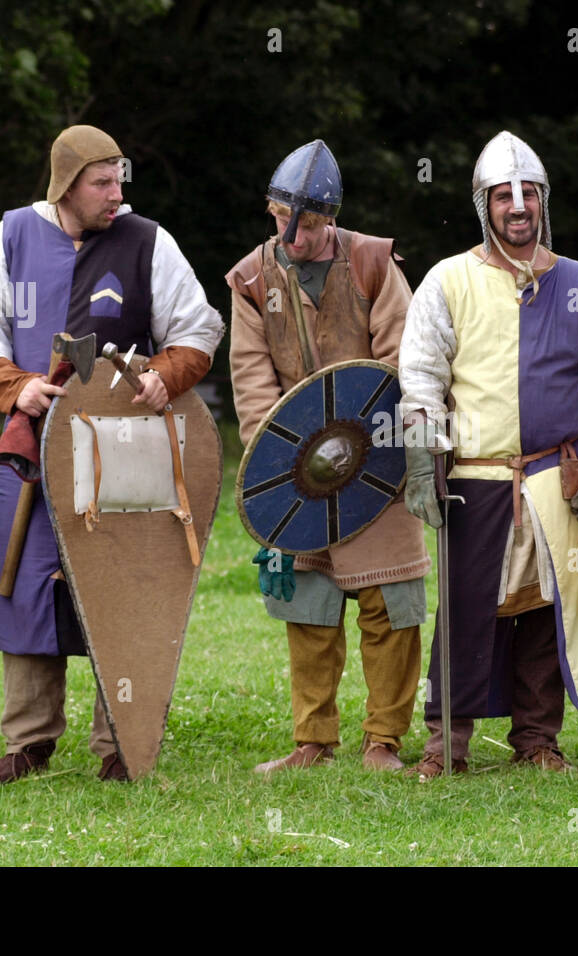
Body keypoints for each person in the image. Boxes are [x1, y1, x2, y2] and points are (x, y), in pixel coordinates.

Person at [0, 125, 222, 784]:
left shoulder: (145, 240)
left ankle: (121, 745)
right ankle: (28, 741)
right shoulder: (14, 236)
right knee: (25, 587)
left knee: (121, 587)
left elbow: (197, 327)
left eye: (119, 179)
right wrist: (19, 386)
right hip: (37, 447)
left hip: (121, 451)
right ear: (66, 185)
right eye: (102, 182)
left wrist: (166, 373)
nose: (116, 192)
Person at [399, 131, 578, 777]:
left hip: (559, 476)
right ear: (484, 204)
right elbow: (420, 374)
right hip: (476, 477)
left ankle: (537, 740)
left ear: (543, 201)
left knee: (545, 612)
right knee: (467, 609)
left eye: (529, 193)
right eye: (503, 195)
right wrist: (422, 454)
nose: (518, 205)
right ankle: (448, 744)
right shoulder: (449, 280)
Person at [226, 140, 428, 773]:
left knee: (389, 605)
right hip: (297, 472)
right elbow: (253, 382)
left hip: (379, 459)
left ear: (330, 219)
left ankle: (383, 741)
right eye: (282, 217)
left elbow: (404, 359)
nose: (293, 235)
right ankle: (312, 739)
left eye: (308, 223)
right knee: (306, 602)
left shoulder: (371, 263)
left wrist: (377, 442)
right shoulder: (252, 279)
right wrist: (277, 460)